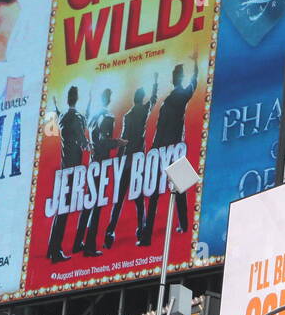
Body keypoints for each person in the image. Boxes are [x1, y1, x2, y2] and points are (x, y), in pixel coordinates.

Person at [137, 52, 199, 246]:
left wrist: (195, 63)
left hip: (170, 150)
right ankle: (181, 227)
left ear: (178, 78)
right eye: (173, 75)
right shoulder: (176, 96)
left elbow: (193, 84)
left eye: (175, 75)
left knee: (168, 192)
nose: (173, 78)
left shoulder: (178, 96)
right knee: (174, 192)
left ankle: (167, 231)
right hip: (167, 150)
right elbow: (193, 84)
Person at [105, 79, 157, 248]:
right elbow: (154, 99)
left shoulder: (128, 115)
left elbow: (124, 139)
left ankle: (110, 232)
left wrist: (119, 161)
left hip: (126, 161)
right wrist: (155, 81)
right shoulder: (143, 111)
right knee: (139, 199)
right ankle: (141, 230)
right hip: (137, 162)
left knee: (119, 199)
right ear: (141, 98)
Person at [75, 88, 124, 255]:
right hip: (100, 165)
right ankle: (89, 247)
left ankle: (77, 243)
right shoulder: (108, 117)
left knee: (88, 205)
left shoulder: (93, 117)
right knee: (95, 206)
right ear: (108, 99)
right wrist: (119, 142)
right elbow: (104, 142)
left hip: (92, 163)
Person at [47, 86, 91, 263]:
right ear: (77, 98)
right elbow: (82, 140)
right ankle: (56, 252)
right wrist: (92, 146)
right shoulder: (76, 118)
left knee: (61, 211)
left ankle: (52, 248)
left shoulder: (64, 117)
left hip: (65, 168)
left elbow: (64, 118)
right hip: (73, 170)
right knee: (65, 210)